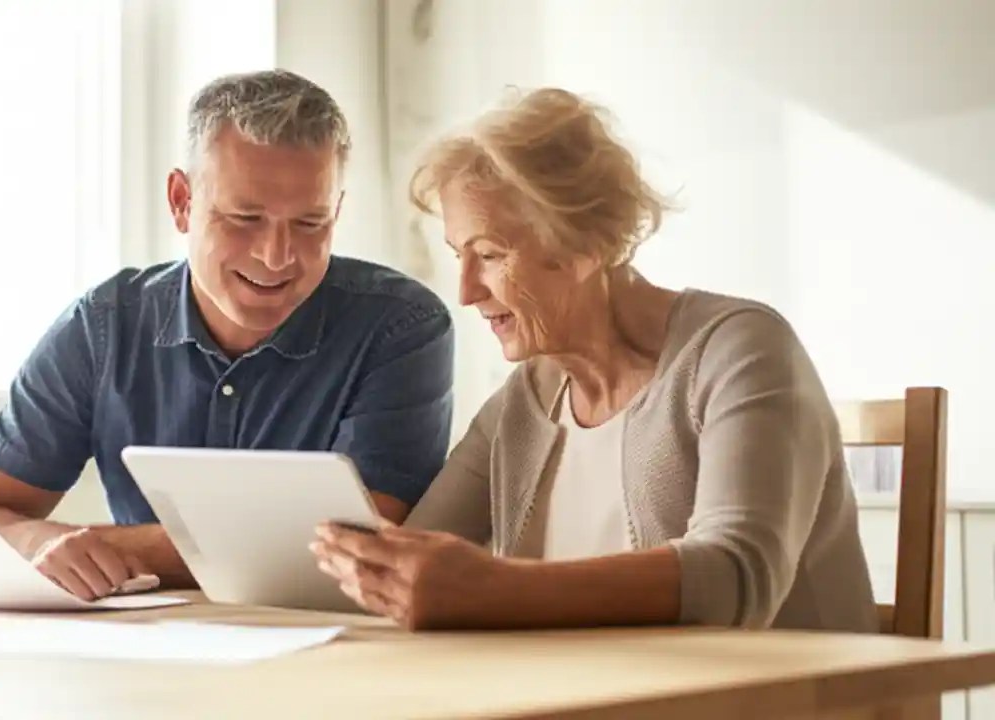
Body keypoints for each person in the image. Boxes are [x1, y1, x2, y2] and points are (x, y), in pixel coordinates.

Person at [311, 87, 878, 633]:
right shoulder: (526, 401)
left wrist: (498, 589)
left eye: (488, 254)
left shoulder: (741, 351)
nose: (466, 292)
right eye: (460, 255)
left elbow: (738, 577)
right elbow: (409, 557)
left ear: (586, 243)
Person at [0, 70, 454, 601]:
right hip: (148, 649)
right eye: (244, 218)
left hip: (330, 649)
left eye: (311, 224)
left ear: (336, 211)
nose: (277, 256)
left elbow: (353, 548)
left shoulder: (401, 327)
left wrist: (108, 548)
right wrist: (38, 542)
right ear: (180, 201)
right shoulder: (103, 326)